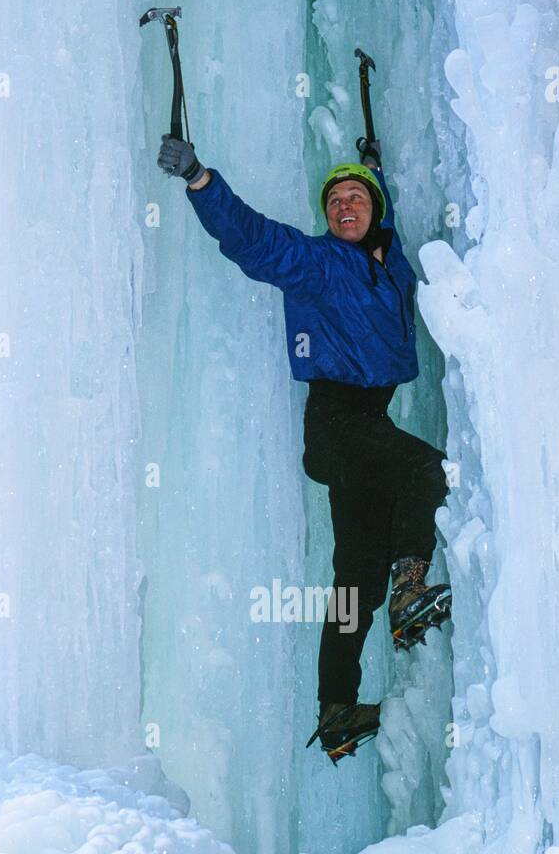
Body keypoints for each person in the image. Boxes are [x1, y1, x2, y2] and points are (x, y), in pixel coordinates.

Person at [159, 131, 450, 762]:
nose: (345, 206)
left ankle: (338, 708)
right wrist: (202, 181)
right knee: (423, 469)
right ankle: (411, 586)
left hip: (361, 430)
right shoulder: (319, 262)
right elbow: (252, 240)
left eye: (356, 198)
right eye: (335, 200)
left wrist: (373, 164)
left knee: (352, 583)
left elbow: (384, 217)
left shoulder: (388, 257)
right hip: (339, 427)